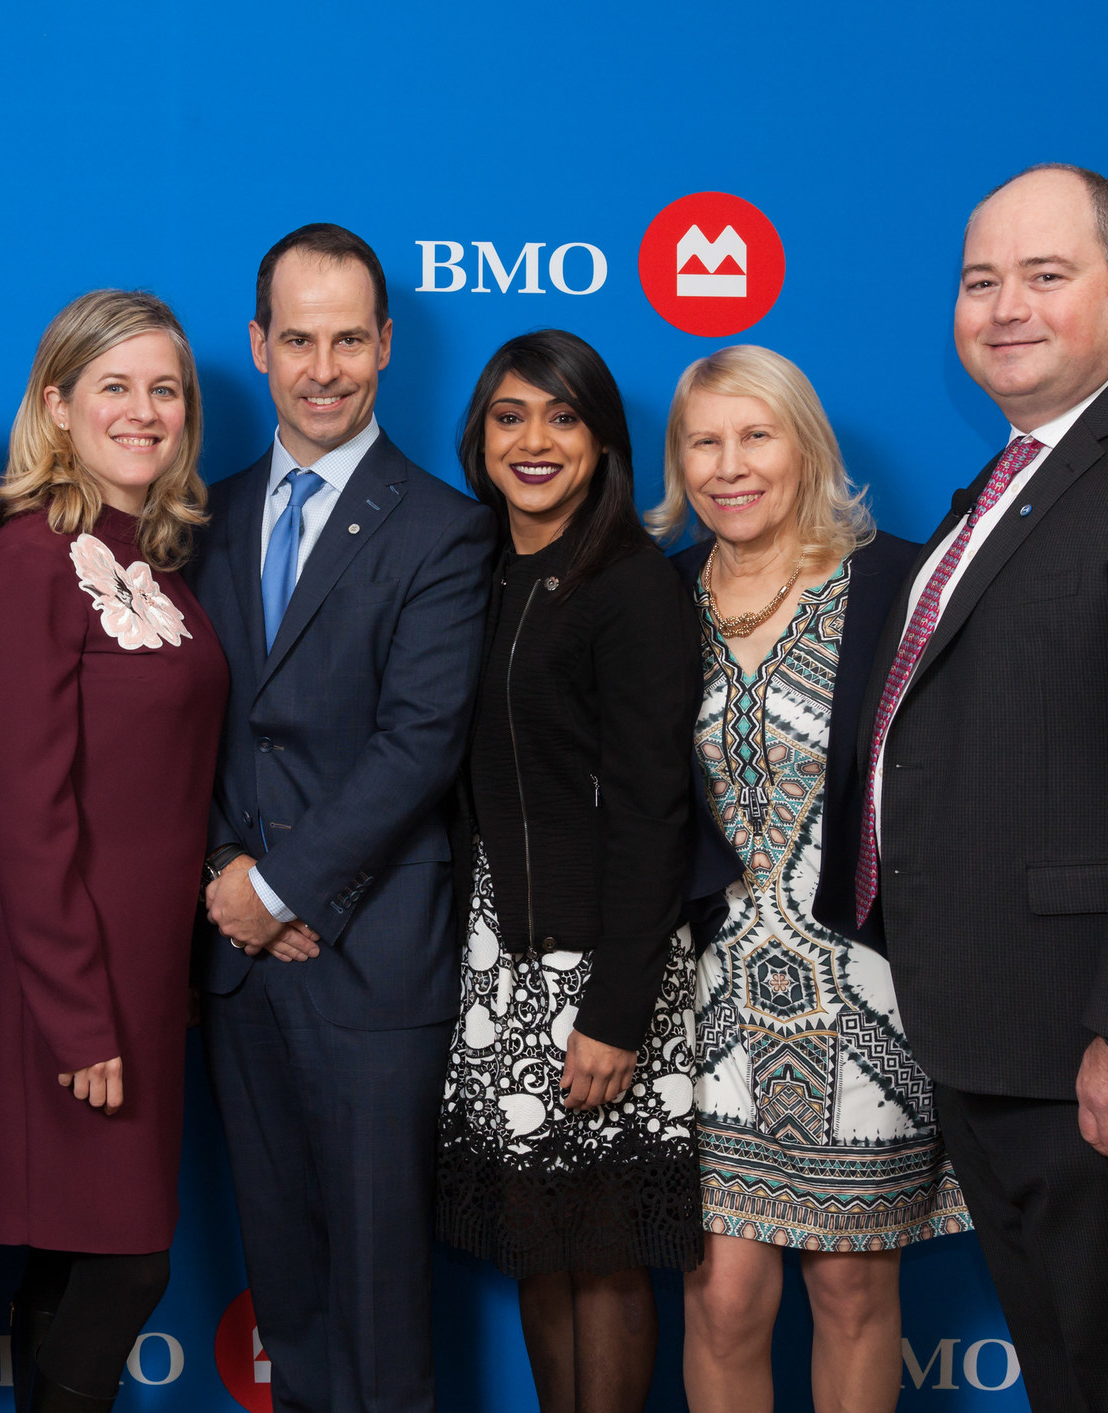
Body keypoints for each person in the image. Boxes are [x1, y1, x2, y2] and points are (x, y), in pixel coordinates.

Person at [840, 164, 1108, 1412]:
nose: (1004, 306)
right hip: (996, 1046)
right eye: (979, 280)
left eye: (1045, 275)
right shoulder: (1017, 472)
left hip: (1104, 1058)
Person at [191, 223, 496, 1413]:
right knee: (291, 1297)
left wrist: (281, 893)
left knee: (377, 1305)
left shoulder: (441, 527)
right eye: (300, 339)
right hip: (232, 967)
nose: (325, 367)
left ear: (385, 348)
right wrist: (226, 871)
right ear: (260, 346)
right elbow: (191, 725)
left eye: (350, 341)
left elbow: (418, 744)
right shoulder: (201, 517)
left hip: (369, 968)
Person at [651, 346, 965, 1413]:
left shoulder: (901, 587)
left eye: (756, 436)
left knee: (849, 1289)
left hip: (865, 998)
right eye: (705, 441)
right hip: (709, 1004)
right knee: (724, 1298)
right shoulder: (657, 598)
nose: (730, 466)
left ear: (806, 447)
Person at [0, 290, 230, 1412]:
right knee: (124, 1263)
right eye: (114, 385)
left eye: (165, 388)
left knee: (77, 1269)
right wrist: (76, 1013)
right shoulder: (28, 564)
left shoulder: (156, 563)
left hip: (147, 983)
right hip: (64, 987)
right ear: (57, 406)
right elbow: (27, 813)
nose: (144, 410)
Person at [432, 330, 701, 1413]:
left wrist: (618, 1011)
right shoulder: (478, 567)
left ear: (603, 440)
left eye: (563, 417)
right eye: (510, 416)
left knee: (604, 1253)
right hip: (501, 963)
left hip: (598, 969)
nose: (533, 440)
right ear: (480, 434)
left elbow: (654, 813)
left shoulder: (628, 584)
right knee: (540, 1246)